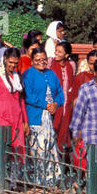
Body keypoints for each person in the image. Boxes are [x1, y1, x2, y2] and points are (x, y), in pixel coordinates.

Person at [22, 46, 65, 178]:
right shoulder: (27, 74)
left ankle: (51, 178)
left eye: (44, 59)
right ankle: (38, 179)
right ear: (32, 60)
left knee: (49, 146)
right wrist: (45, 105)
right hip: (35, 117)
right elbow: (28, 95)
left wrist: (56, 104)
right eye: (37, 59)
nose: (41, 62)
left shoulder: (51, 74)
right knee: (38, 148)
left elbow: (60, 93)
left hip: (49, 118)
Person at [49, 41, 76, 148]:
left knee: (64, 130)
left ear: (66, 55)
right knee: (53, 127)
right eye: (56, 50)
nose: (56, 53)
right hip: (53, 101)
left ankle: (62, 156)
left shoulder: (71, 65)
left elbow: (72, 84)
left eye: (60, 52)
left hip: (67, 103)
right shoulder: (50, 62)